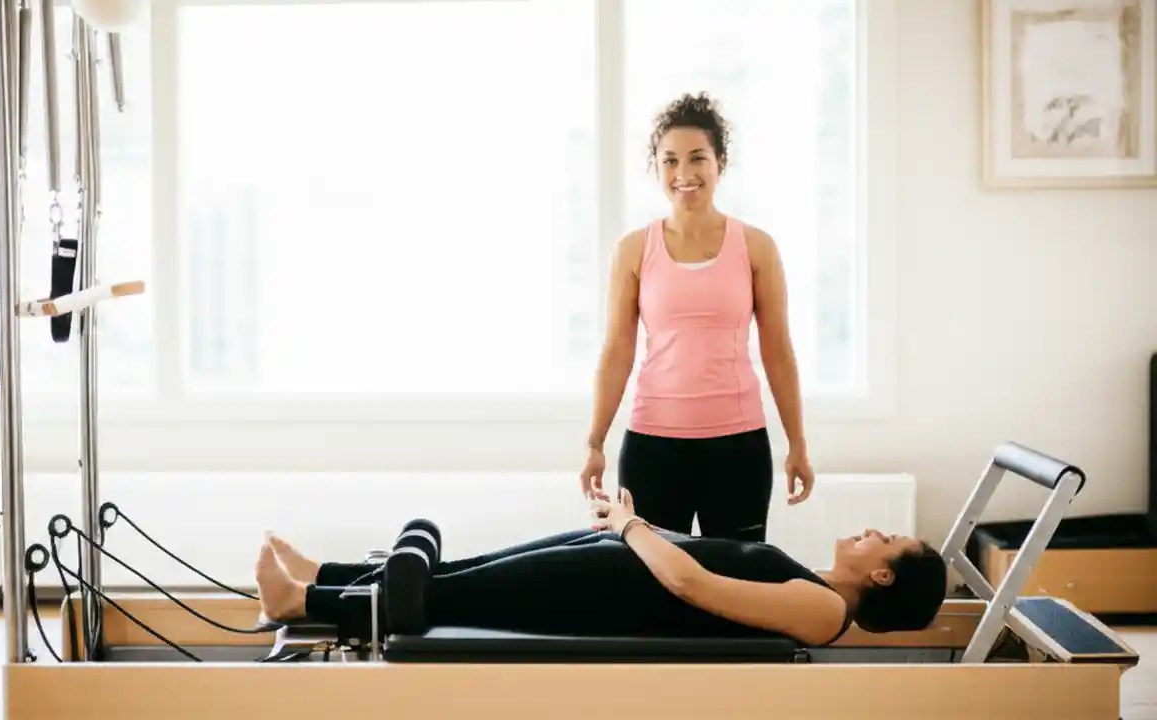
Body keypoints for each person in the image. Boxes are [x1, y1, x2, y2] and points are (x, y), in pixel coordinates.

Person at [254, 490, 947, 646]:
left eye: (884, 539)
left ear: (883, 576)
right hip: (619, 564)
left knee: (462, 597)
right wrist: (631, 524)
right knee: (464, 570)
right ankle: (326, 576)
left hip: (618, 594)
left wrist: (630, 527)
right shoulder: (816, 584)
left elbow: (692, 584)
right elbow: (701, 558)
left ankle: (304, 606)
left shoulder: (826, 613)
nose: (868, 532)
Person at [580, 91, 815, 542]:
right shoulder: (633, 249)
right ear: (656, 168)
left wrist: (797, 443)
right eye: (669, 161)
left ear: (719, 163)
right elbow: (616, 353)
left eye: (697, 159)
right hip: (652, 446)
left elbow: (779, 353)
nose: (683, 174)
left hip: (739, 447)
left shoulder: (756, 247)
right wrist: (595, 442)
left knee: (738, 590)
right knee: (649, 592)